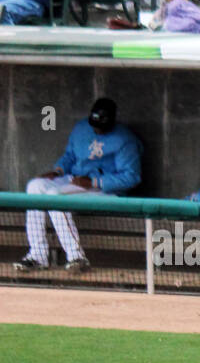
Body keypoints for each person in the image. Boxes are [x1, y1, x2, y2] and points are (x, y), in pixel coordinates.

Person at [14, 97, 141, 274]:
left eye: (101, 127)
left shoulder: (124, 140)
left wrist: (94, 182)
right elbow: (70, 156)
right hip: (75, 181)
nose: (96, 129)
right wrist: (58, 171)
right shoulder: (81, 128)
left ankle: (76, 257)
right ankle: (37, 255)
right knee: (35, 186)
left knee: (54, 197)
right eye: (94, 125)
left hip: (105, 190)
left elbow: (131, 177)